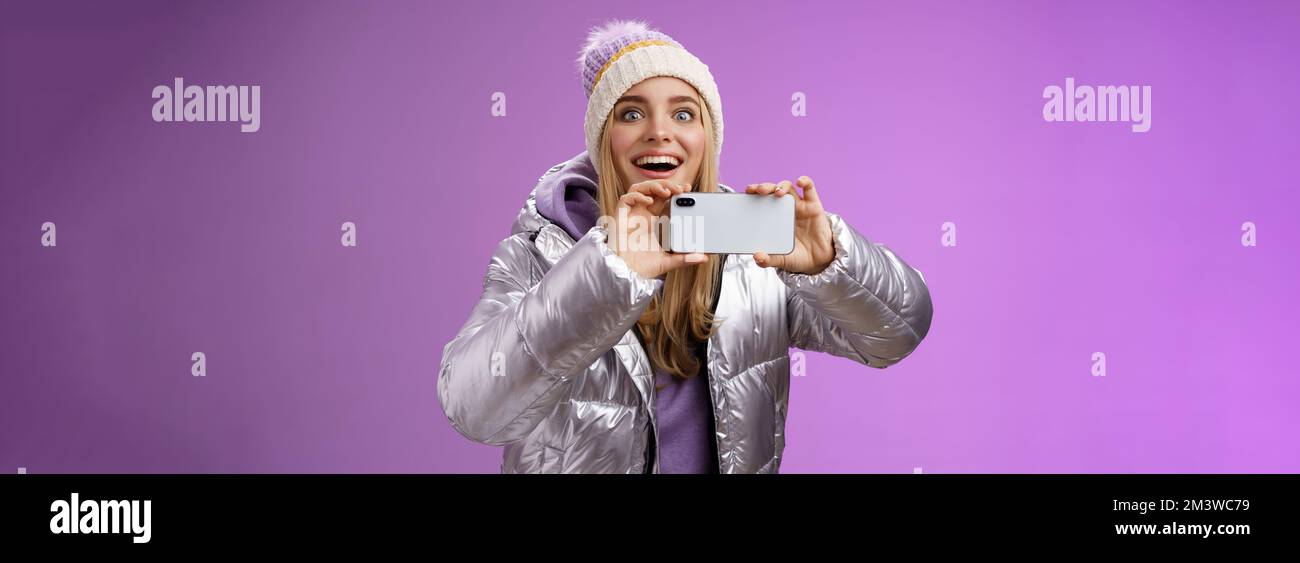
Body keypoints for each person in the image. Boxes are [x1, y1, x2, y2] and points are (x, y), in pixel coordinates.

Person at [437, 19, 933, 473]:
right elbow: (475, 410)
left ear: (707, 138)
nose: (660, 132)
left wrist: (829, 263)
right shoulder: (540, 251)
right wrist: (609, 272)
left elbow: (897, 335)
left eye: (683, 113)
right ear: (602, 140)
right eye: (631, 113)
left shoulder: (753, 254)